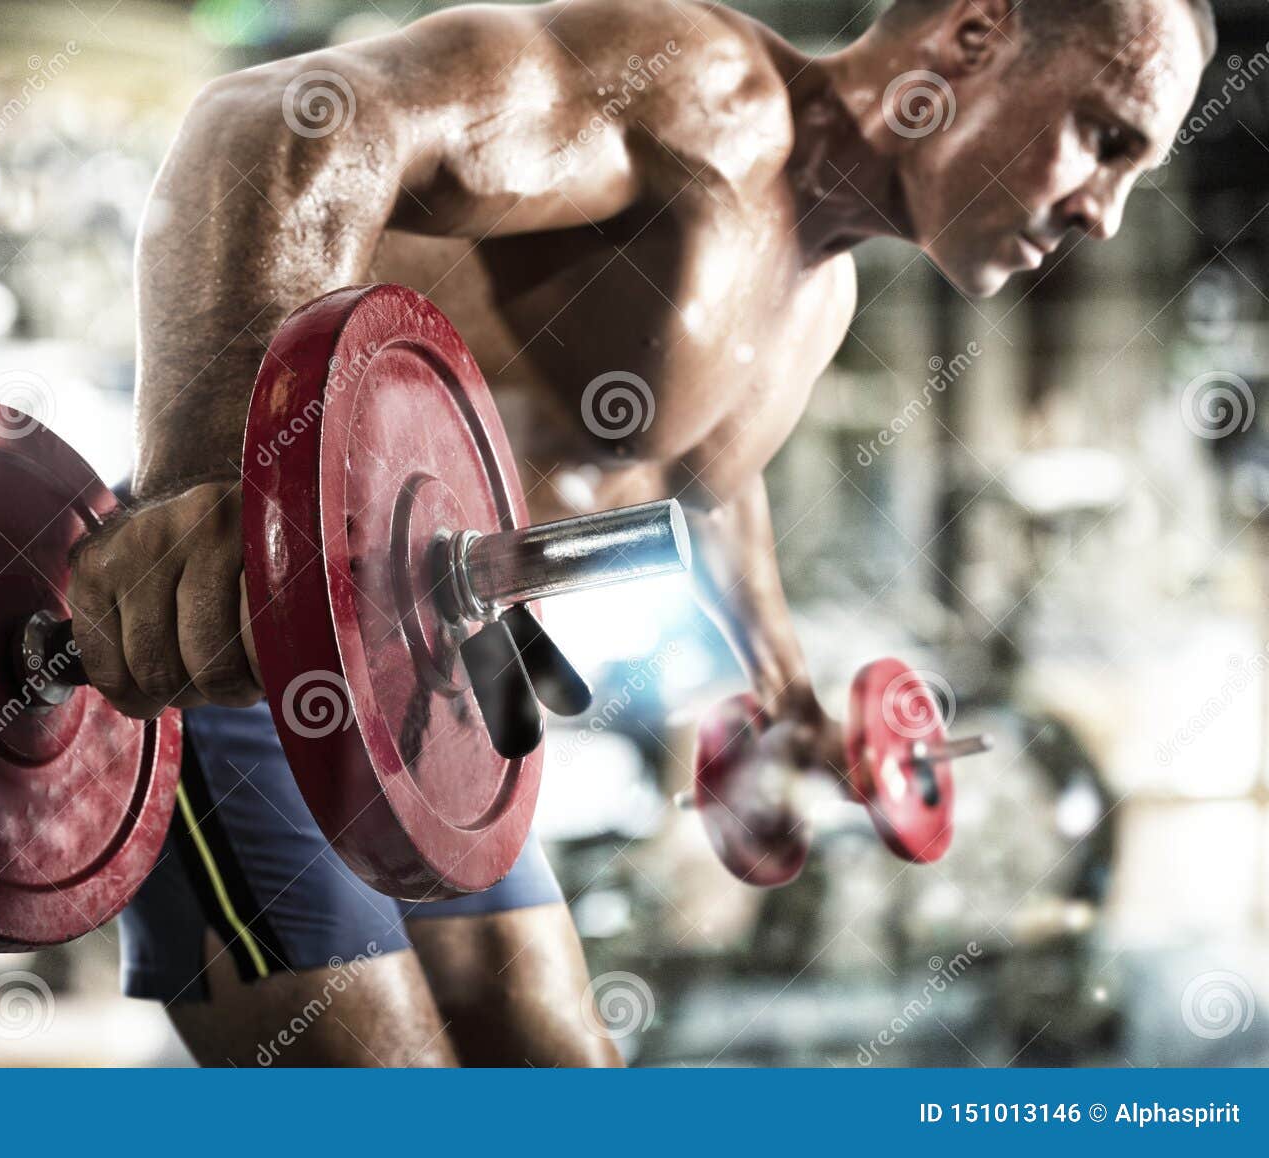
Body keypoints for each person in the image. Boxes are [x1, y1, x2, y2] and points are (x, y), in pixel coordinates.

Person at [64, 0, 1213, 1065]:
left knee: (562, 1076)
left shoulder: (821, 298)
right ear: (972, 35)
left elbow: (706, 482)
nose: (1102, 214)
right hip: (263, 647)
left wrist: (783, 690)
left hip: (461, 683)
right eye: (1102, 137)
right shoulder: (700, 95)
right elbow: (282, 120)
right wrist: (215, 485)